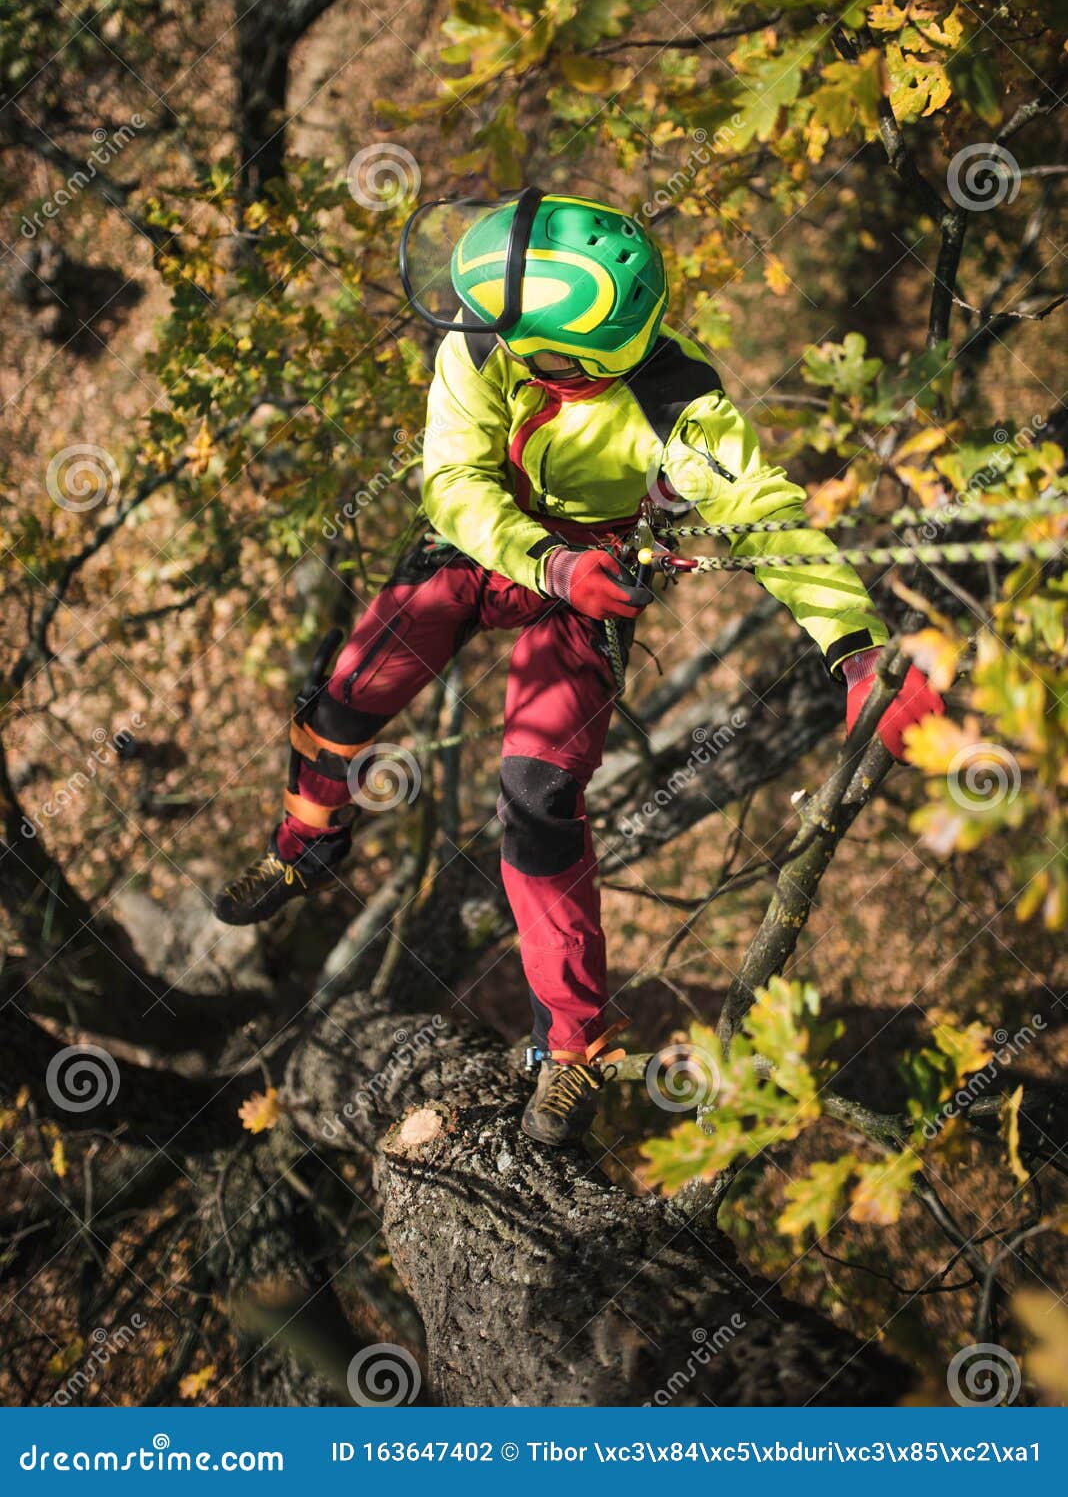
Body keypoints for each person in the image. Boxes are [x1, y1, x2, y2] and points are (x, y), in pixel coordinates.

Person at [214, 191, 942, 1146]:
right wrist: (546, 559)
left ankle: (575, 1045)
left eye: (525, 344)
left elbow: (768, 517)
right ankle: (307, 844)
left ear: (585, 355)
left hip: (596, 580)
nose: (492, 343)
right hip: (492, 548)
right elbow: (452, 483)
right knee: (349, 696)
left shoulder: (680, 406)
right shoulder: (482, 341)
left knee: (538, 796)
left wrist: (858, 651)